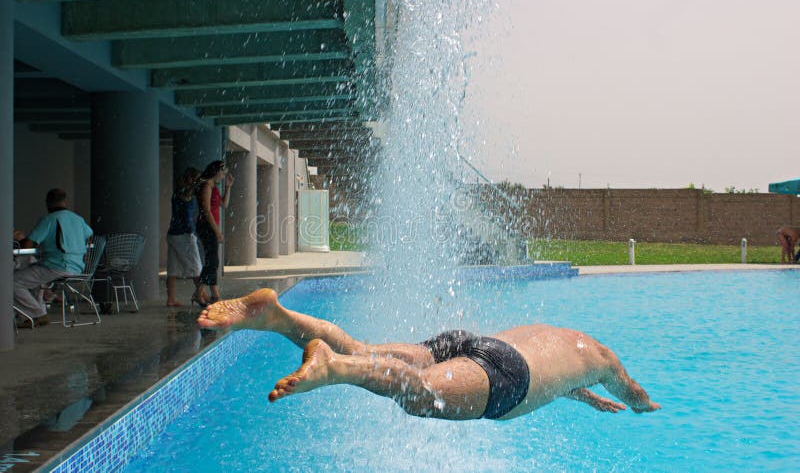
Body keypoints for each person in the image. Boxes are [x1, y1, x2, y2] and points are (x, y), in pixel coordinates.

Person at [197, 289, 661, 421]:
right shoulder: (602, 357)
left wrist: (583, 396)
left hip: (473, 343)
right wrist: (643, 405)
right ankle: (332, 368)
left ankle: (278, 317)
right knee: (419, 395)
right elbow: (633, 392)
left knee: (362, 346)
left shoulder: (560, 338)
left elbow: (555, 373)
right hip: (505, 378)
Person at [14, 188, 93, 328]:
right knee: (32, 274)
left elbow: (28, 245)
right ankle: (37, 314)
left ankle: (38, 314)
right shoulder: (77, 219)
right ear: (65, 201)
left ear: (47, 203)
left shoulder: (49, 219)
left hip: (56, 267)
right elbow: (88, 234)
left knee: (11, 282)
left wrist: (18, 238)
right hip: (77, 267)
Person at [195, 160, 234, 306]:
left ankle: (203, 294)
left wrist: (228, 187)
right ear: (216, 171)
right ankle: (203, 294)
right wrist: (217, 231)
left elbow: (224, 204)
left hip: (210, 227)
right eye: (223, 173)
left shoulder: (214, 188)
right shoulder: (206, 186)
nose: (223, 176)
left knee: (212, 261)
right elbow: (206, 210)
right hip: (206, 227)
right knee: (212, 261)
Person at [165, 167, 204, 308]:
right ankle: (200, 296)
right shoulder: (188, 196)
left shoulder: (177, 194)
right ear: (190, 179)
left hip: (173, 234)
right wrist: (192, 231)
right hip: (185, 236)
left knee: (173, 268)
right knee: (197, 268)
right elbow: (188, 218)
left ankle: (171, 299)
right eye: (197, 179)